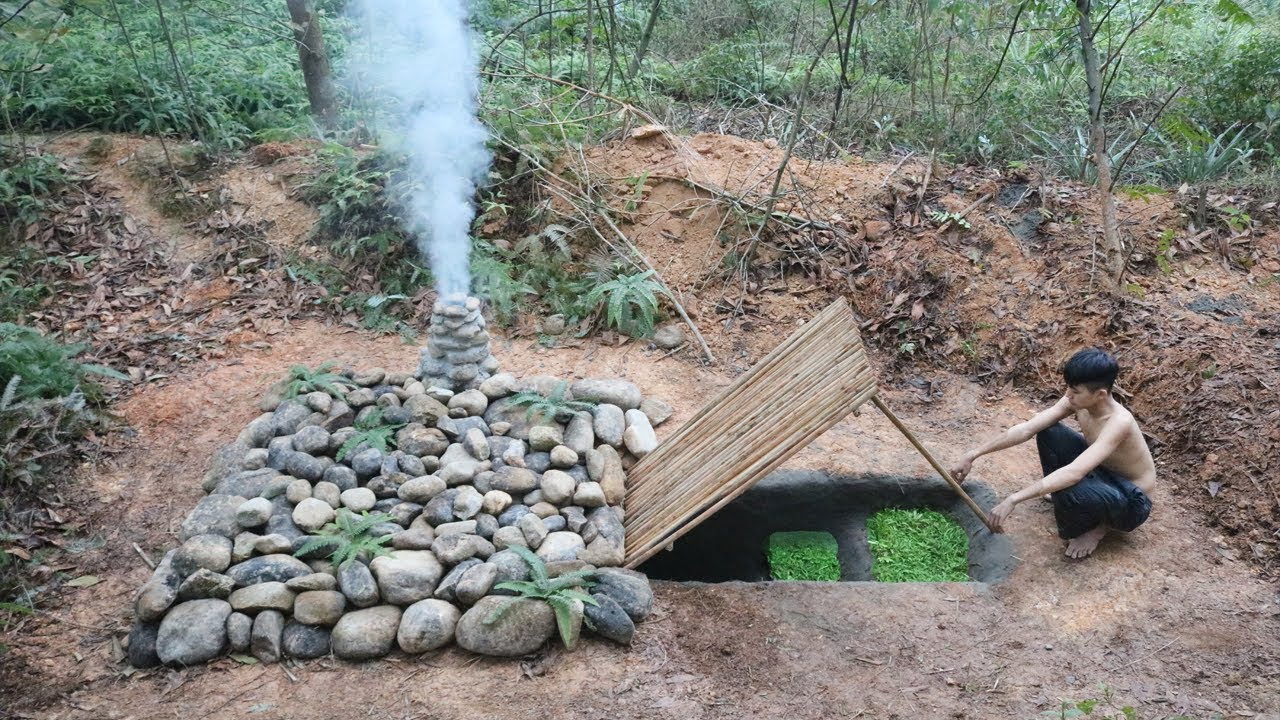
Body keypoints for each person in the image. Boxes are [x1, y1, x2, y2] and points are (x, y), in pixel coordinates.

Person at [950, 348, 1155, 559]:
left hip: (1131, 501)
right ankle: (1069, 497)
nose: (1068, 395)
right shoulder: (1079, 402)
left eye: (1075, 391)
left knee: (1068, 485)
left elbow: (1074, 473)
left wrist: (1014, 499)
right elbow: (1027, 428)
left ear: (1100, 394)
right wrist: (973, 454)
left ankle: (1097, 529)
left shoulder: (1119, 422)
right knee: (1049, 432)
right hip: (1101, 472)